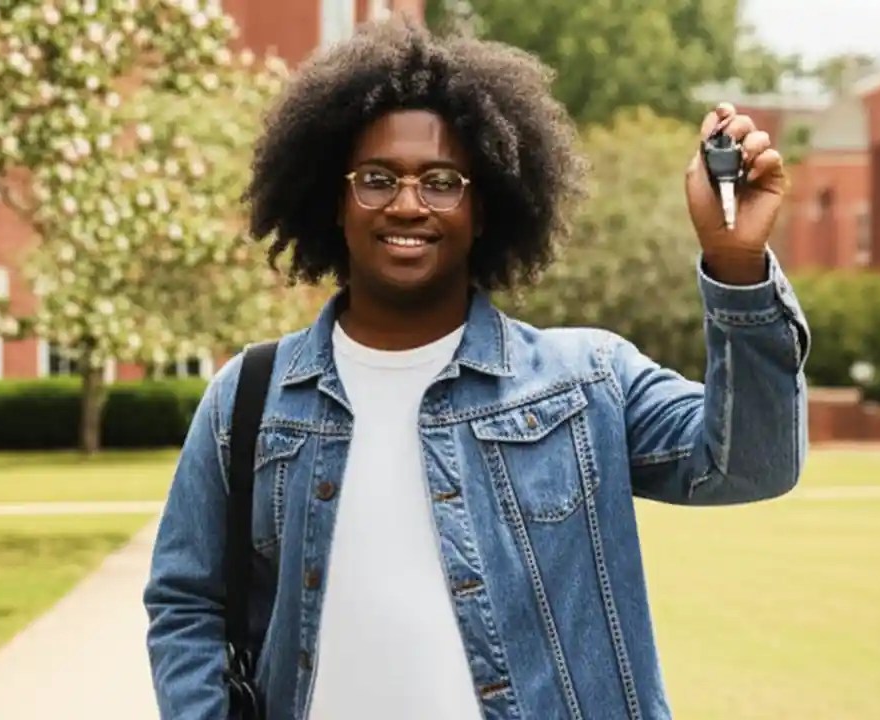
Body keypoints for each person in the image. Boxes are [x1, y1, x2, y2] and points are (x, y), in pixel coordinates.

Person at [145, 18, 810, 720]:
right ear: (333, 202)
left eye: (441, 182)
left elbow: (753, 464)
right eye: (376, 179)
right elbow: (186, 599)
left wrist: (735, 266)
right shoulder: (249, 399)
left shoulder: (587, 382)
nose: (407, 204)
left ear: (484, 207)